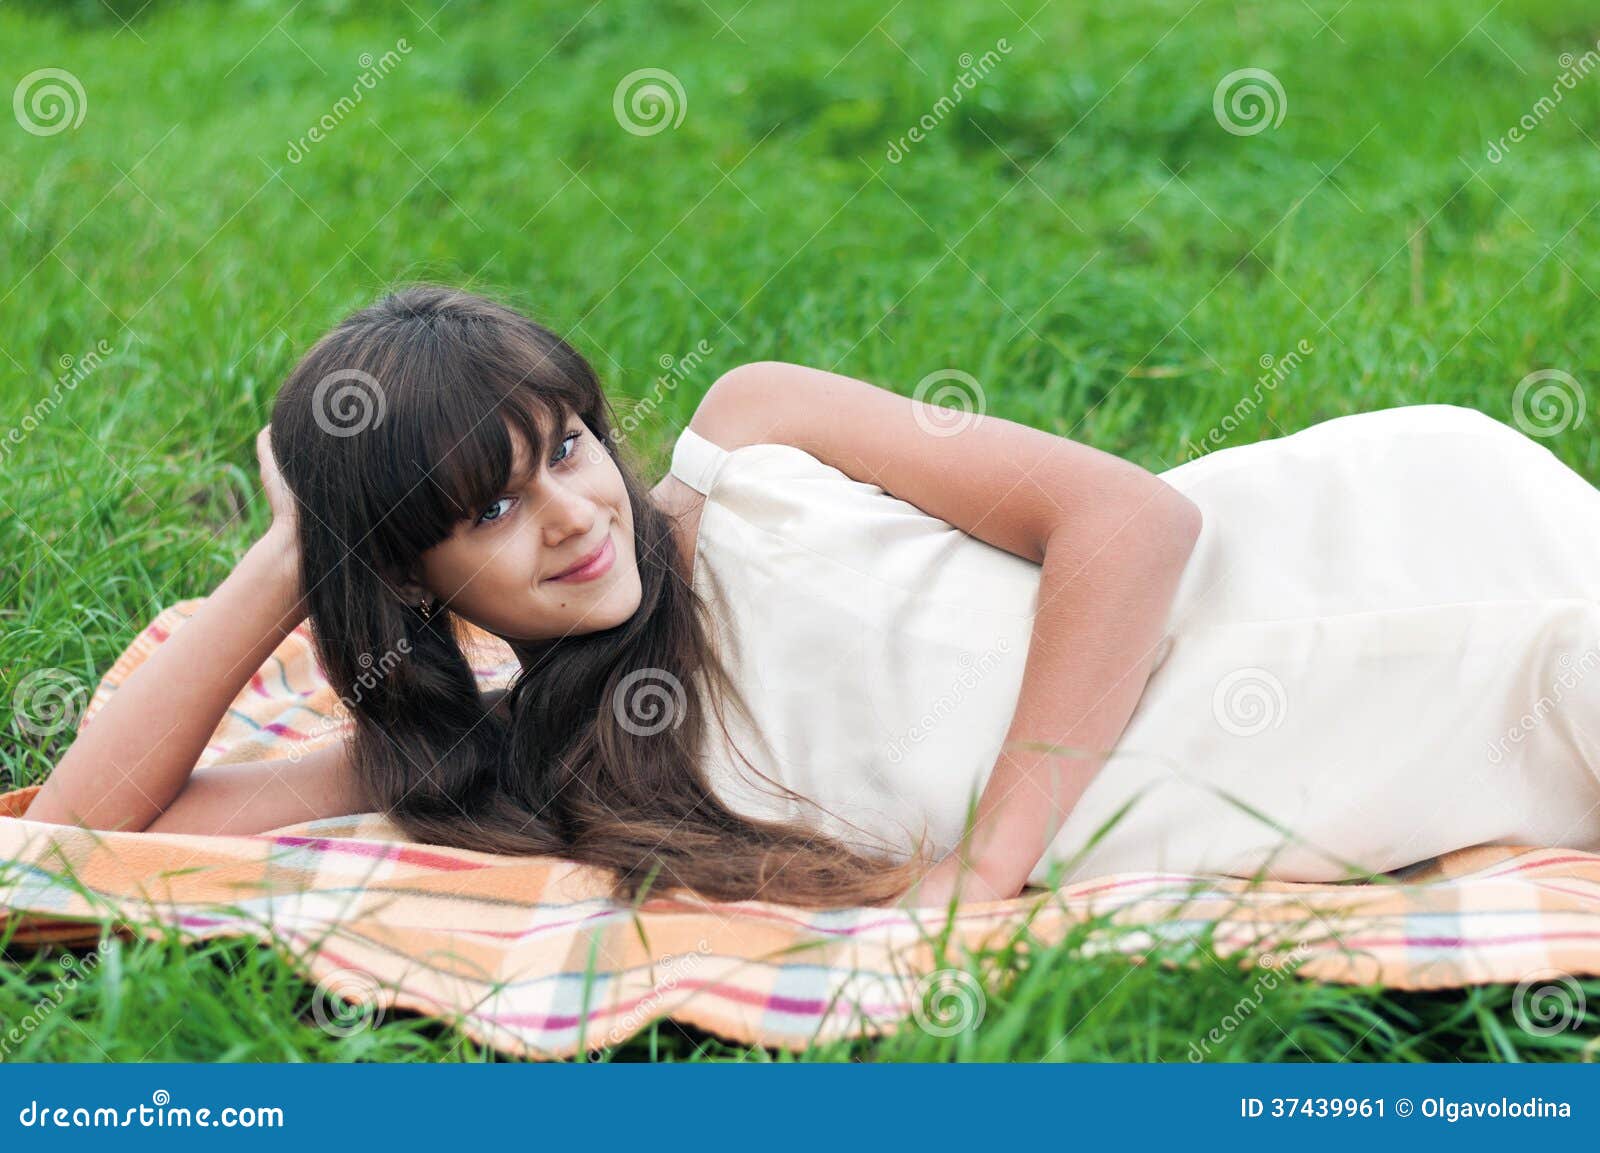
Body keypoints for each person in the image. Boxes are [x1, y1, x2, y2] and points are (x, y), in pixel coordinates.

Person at [23, 285, 1600, 912]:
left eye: (565, 446)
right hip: (1429, 740)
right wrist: (292, 551)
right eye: (489, 512)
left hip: (1407, 549)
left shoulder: (753, 438)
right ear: (414, 581)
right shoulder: (507, 762)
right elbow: (69, 845)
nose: (573, 512)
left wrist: (993, 865)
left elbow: (1130, 521)